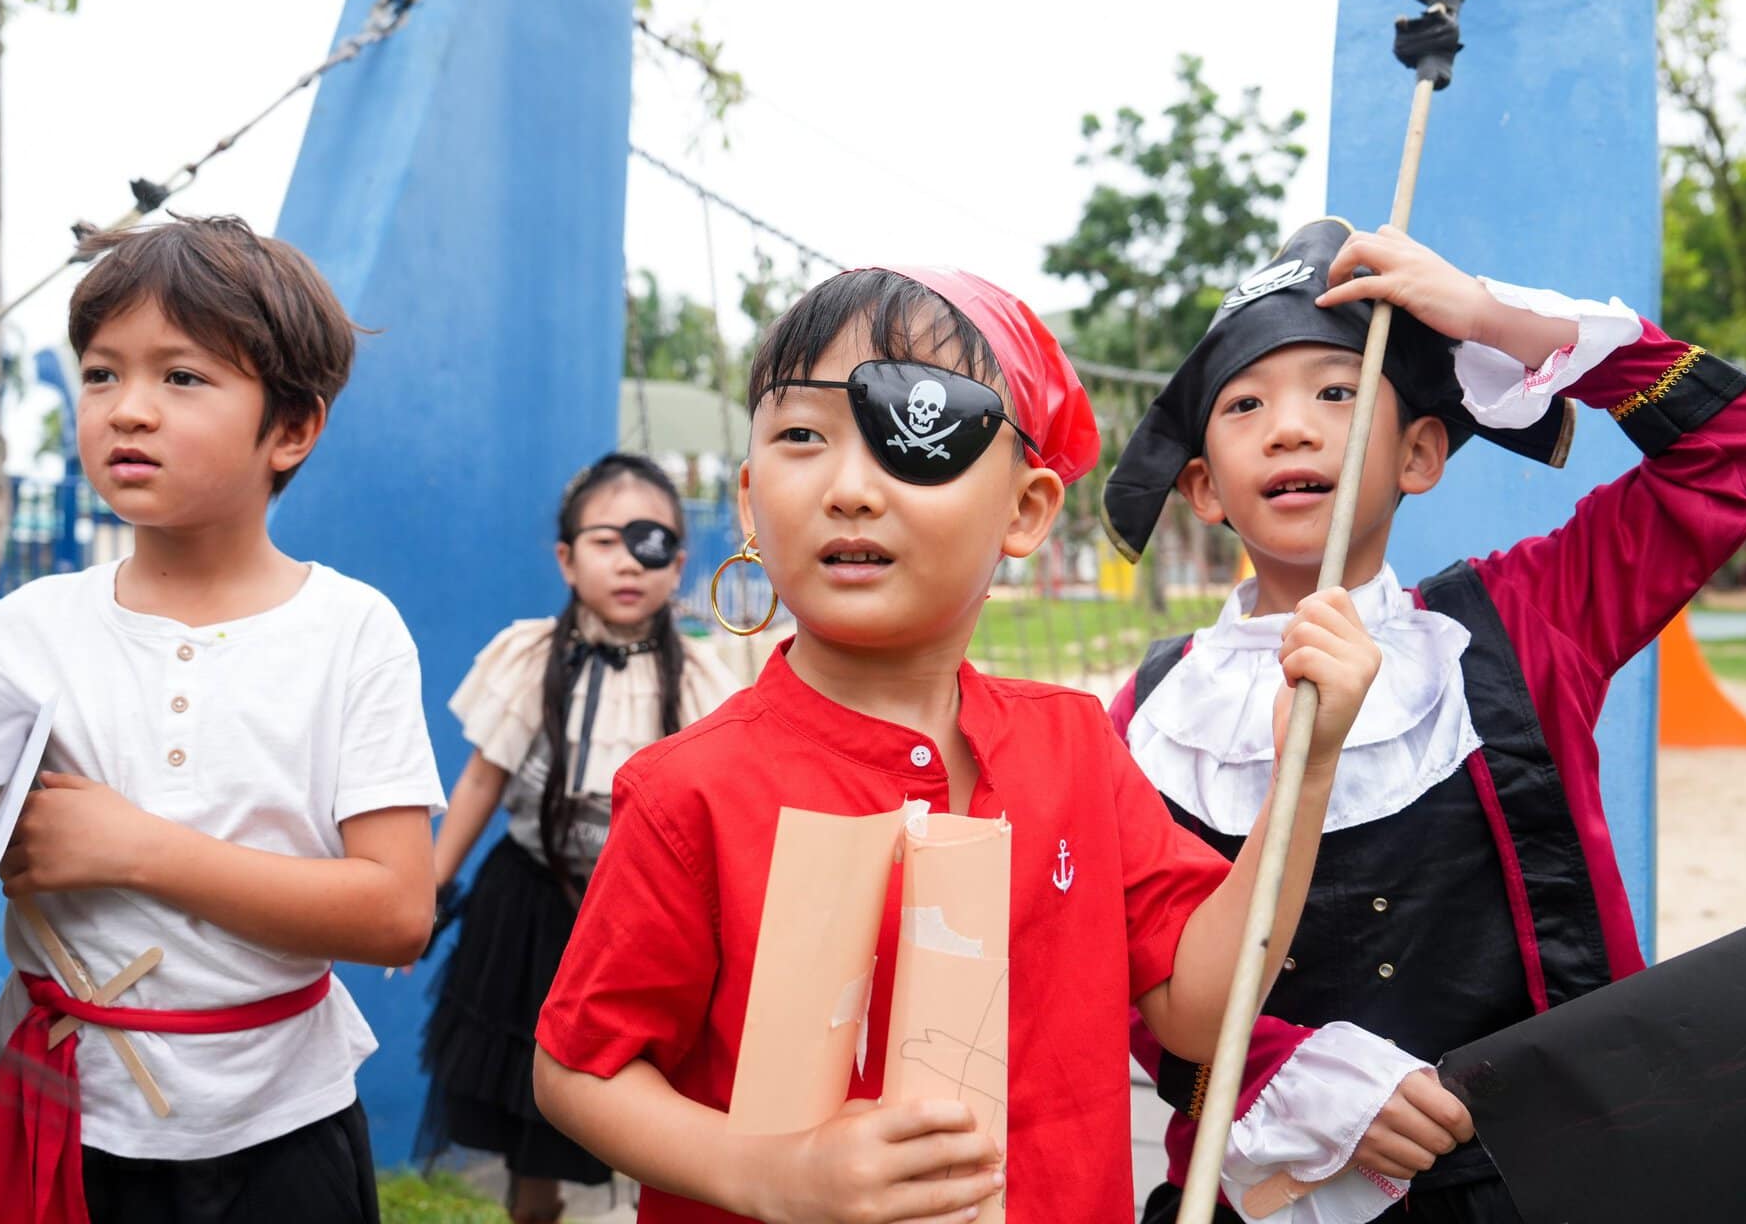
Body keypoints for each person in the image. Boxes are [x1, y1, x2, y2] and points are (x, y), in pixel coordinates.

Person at [528, 264, 1382, 1222]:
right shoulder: (688, 790)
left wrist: (1307, 773)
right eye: (802, 436)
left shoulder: (1075, 746)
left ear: (1026, 510)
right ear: (751, 498)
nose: (850, 488)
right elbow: (579, 1071)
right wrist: (771, 1173)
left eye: (919, 432)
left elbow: (1196, 1009)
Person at [1100, 219, 1746, 1223]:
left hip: (1550, 1186)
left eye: (1338, 392)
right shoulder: (1148, 713)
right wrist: (1290, 1077)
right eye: (1245, 404)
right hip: (1261, 1189)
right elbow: (1128, 970)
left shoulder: (1530, 618)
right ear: (1203, 484)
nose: (1289, 427)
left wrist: (1495, 317)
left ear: (1421, 450)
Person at [0, 215, 446, 1224]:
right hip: (45, 1117)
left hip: (279, 1135)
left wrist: (138, 849)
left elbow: (395, 909)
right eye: (101, 373)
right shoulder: (31, 626)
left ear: (292, 428)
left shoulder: (351, 630)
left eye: (182, 376)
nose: (128, 409)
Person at [415, 451, 739, 1224]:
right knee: (532, 1108)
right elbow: (481, 782)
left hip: (645, 922)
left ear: (678, 565)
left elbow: (720, 816)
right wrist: (423, 893)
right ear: (566, 559)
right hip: (530, 913)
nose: (628, 561)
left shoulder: (703, 679)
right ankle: (534, 1211)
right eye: (604, 541)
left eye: (650, 542)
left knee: (646, 1092)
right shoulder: (530, 658)